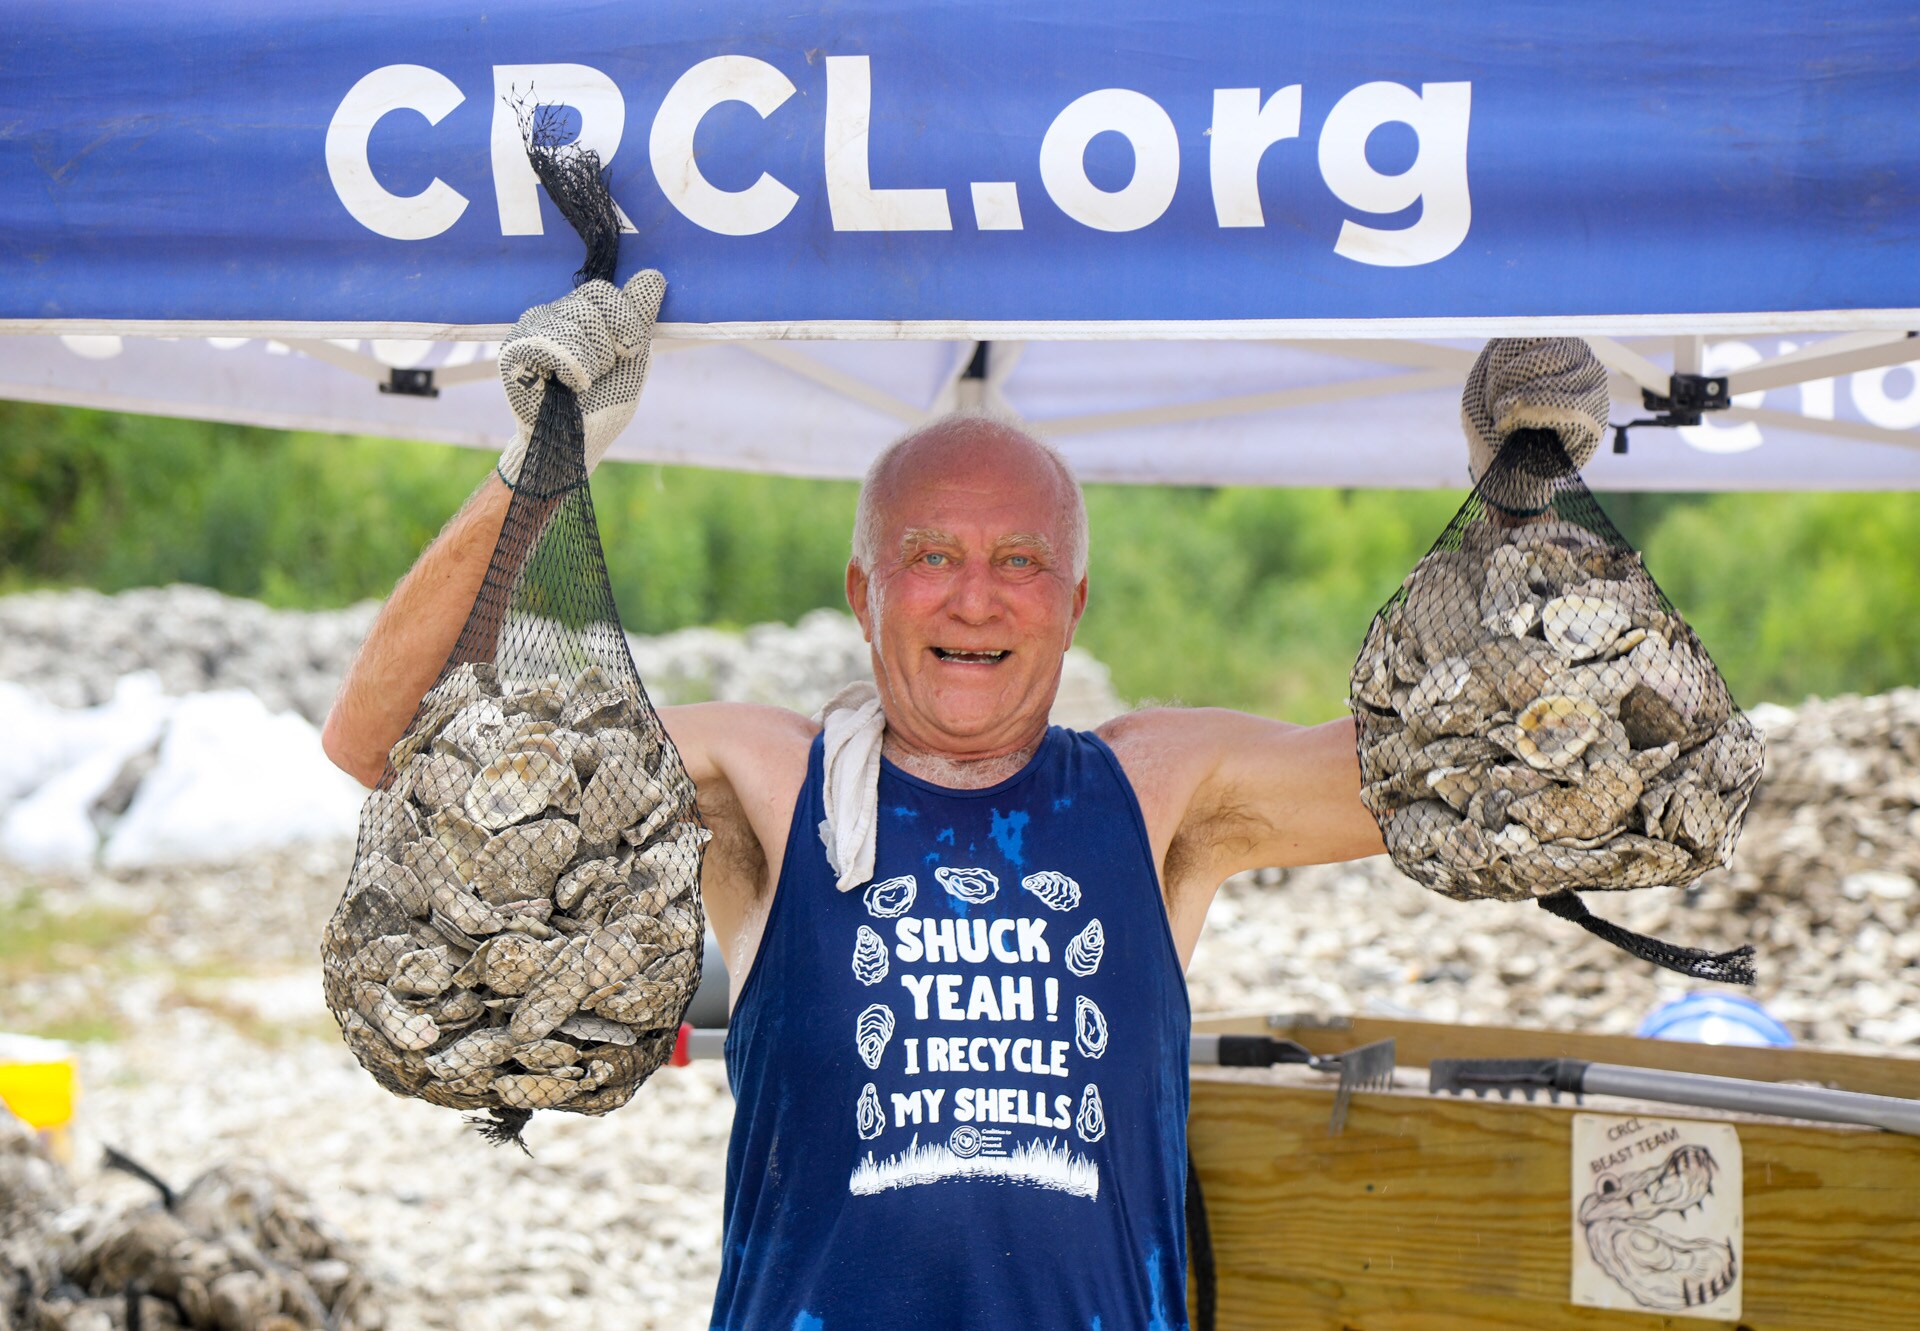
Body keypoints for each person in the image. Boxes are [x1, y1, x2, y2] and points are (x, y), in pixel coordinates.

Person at [321, 275, 1609, 1330]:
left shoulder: (1160, 794)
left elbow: (1492, 770)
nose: (975, 599)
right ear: (864, 594)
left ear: (1077, 604)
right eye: (929, 557)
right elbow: (389, 753)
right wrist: (539, 465)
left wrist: (1525, 488)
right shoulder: (767, 788)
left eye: (1021, 562)